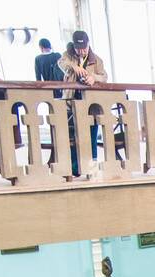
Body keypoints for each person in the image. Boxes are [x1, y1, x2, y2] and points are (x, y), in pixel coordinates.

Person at [59, 30, 107, 176]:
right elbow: (62, 62)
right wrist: (74, 67)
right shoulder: (68, 55)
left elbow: (104, 76)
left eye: (84, 48)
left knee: (91, 138)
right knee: (72, 137)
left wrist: (93, 78)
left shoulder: (96, 60)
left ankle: (91, 170)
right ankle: (75, 169)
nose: (81, 51)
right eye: (78, 48)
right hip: (71, 104)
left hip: (90, 107)